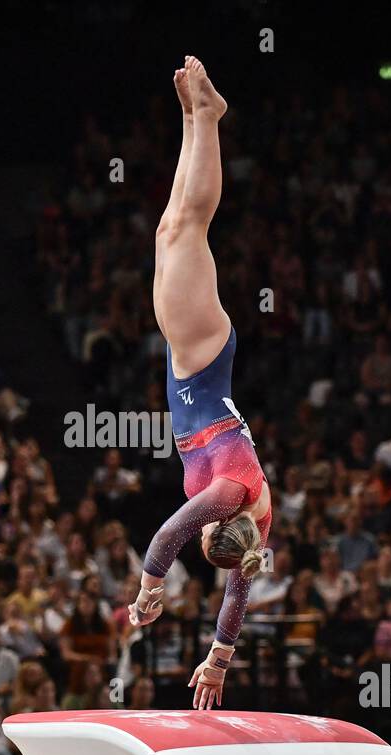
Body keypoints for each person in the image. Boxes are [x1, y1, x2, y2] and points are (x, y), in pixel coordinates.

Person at [128, 57, 272, 710]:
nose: (205, 540)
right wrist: (148, 592)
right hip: (200, 360)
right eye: (209, 541)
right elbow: (165, 539)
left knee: (171, 230)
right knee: (188, 229)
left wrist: (219, 659)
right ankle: (209, 118)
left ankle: (194, 119)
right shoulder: (225, 496)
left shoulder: (254, 522)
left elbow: (241, 589)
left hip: (196, 359)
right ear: (217, 529)